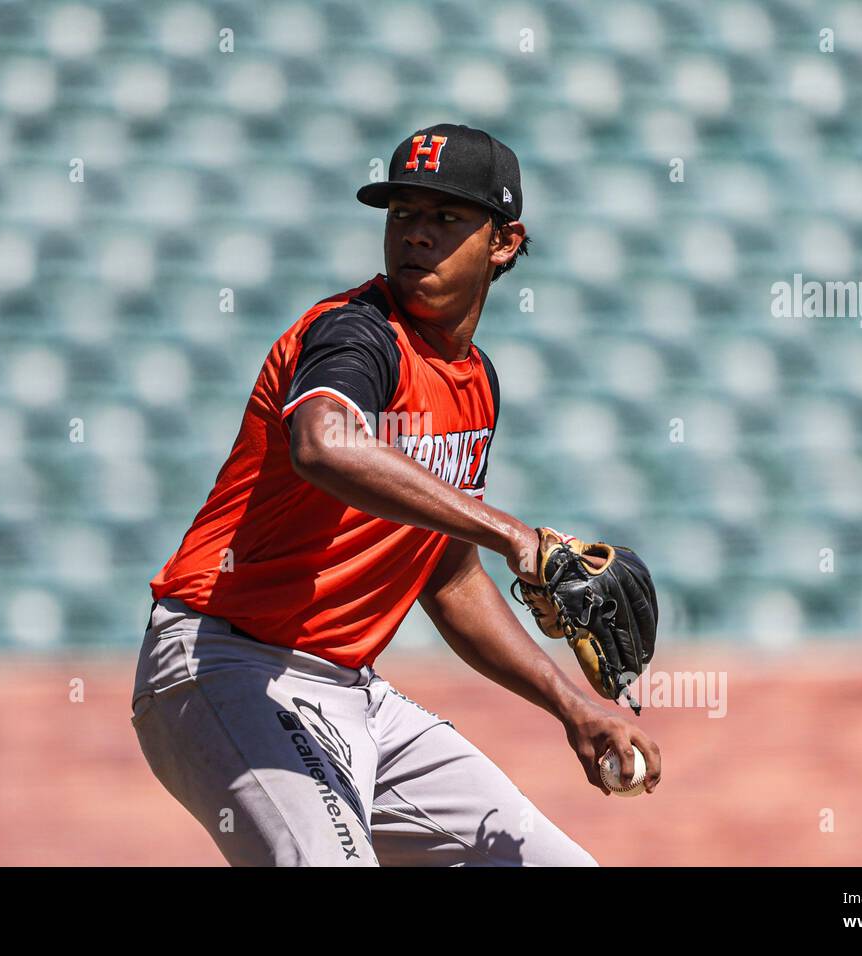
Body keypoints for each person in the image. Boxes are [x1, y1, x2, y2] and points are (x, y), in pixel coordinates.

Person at [131, 123, 662, 866]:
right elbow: (321, 443)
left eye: (445, 218)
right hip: (231, 664)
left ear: (503, 242)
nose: (416, 235)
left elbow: (446, 576)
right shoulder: (355, 336)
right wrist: (514, 534)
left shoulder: (476, 383)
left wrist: (570, 703)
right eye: (402, 213)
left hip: (353, 694)